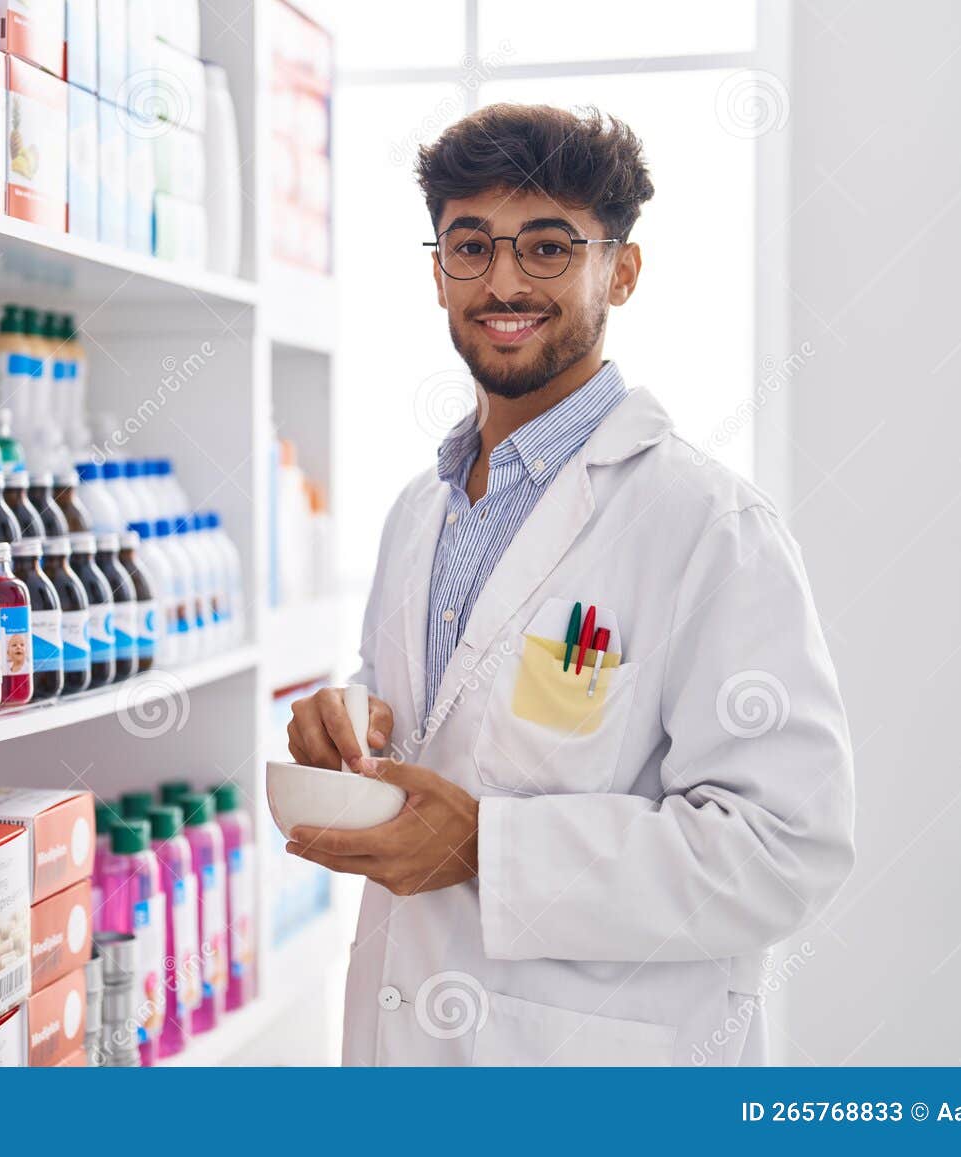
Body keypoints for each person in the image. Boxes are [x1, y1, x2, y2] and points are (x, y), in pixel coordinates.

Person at [285, 104, 855, 1066]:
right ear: (437, 271)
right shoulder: (416, 513)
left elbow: (783, 848)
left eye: (548, 246)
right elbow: (440, 724)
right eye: (471, 245)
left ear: (620, 270)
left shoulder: (707, 527)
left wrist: (490, 851)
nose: (504, 280)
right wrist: (342, 726)